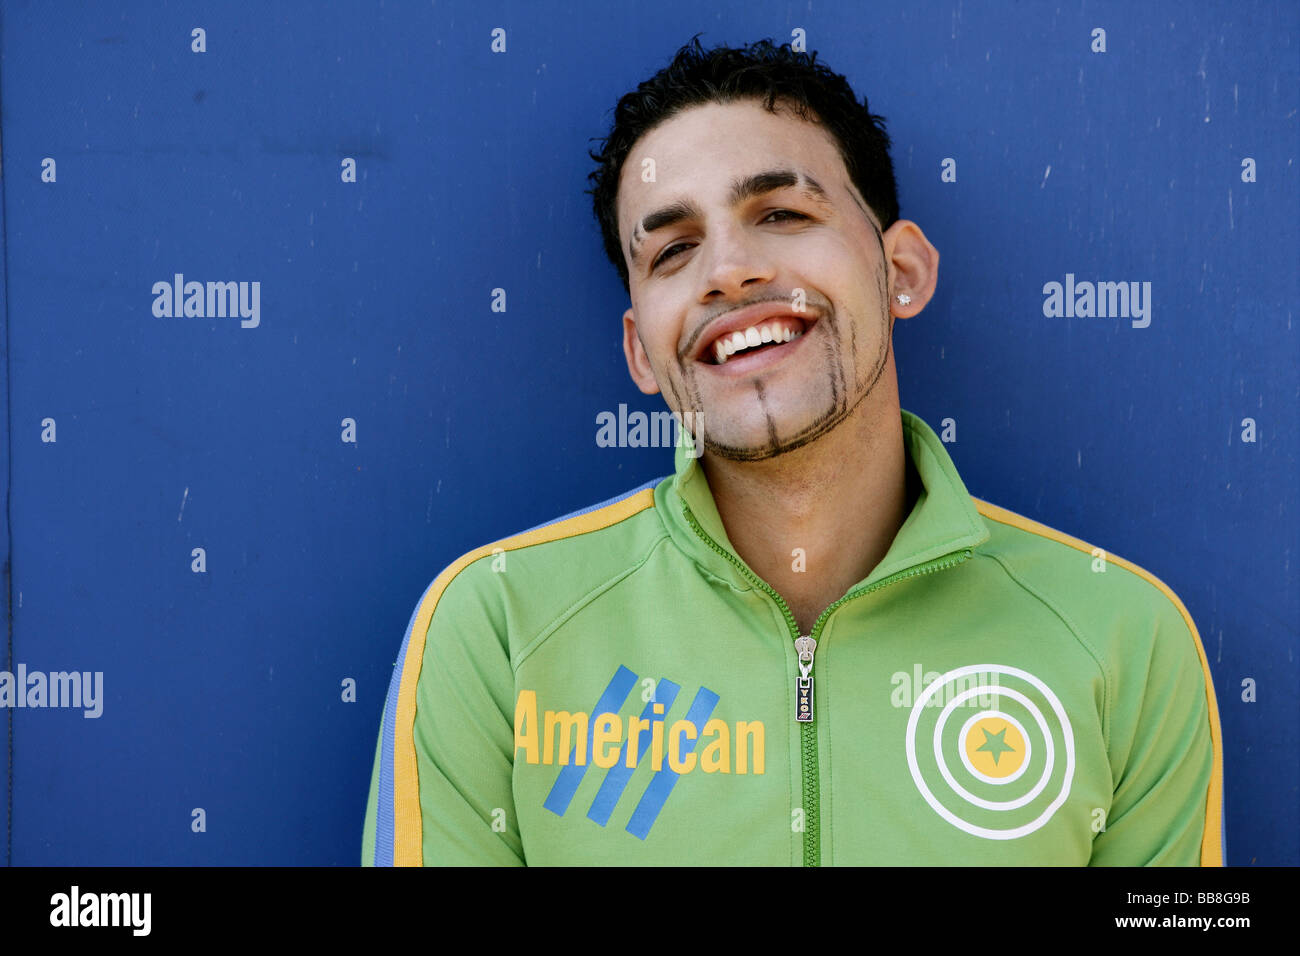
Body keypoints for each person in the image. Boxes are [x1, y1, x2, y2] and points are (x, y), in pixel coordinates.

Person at [362, 35, 1223, 866]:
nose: (728, 272)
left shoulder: (1123, 635)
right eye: (672, 249)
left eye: (781, 212)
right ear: (640, 353)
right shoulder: (497, 628)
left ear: (903, 273)